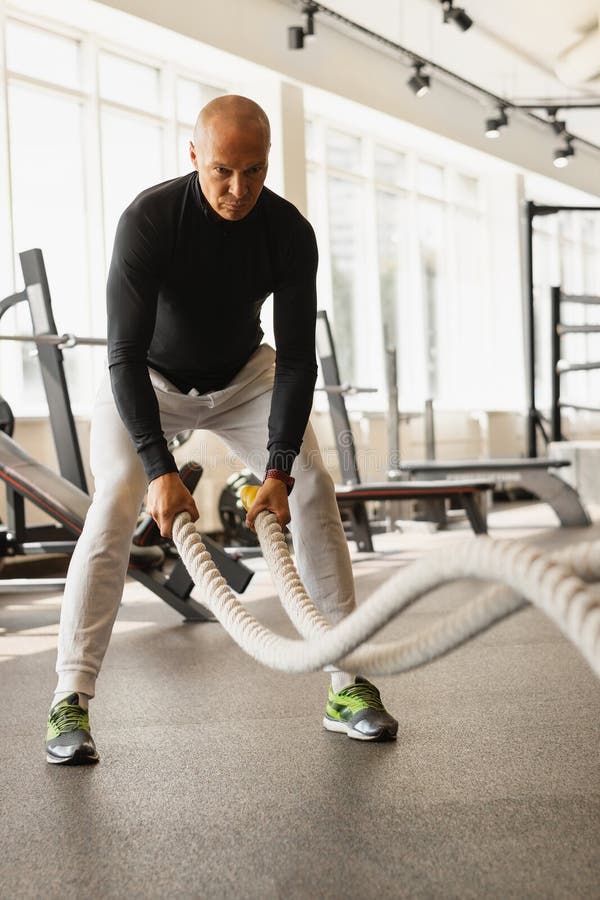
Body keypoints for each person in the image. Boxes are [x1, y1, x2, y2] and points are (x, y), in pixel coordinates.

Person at [45, 96, 398, 764]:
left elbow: (296, 361)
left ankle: (347, 684)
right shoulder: (149, 220)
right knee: (116, 501)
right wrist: (158, 470)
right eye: (222, 172)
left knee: (315, 488)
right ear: (193, 158)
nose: (239, 190)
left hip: (245, 379)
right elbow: (120, 355)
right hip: (148, 379)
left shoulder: (289, 232)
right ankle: (70, 697)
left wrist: (277, 471)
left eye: (255, 171)